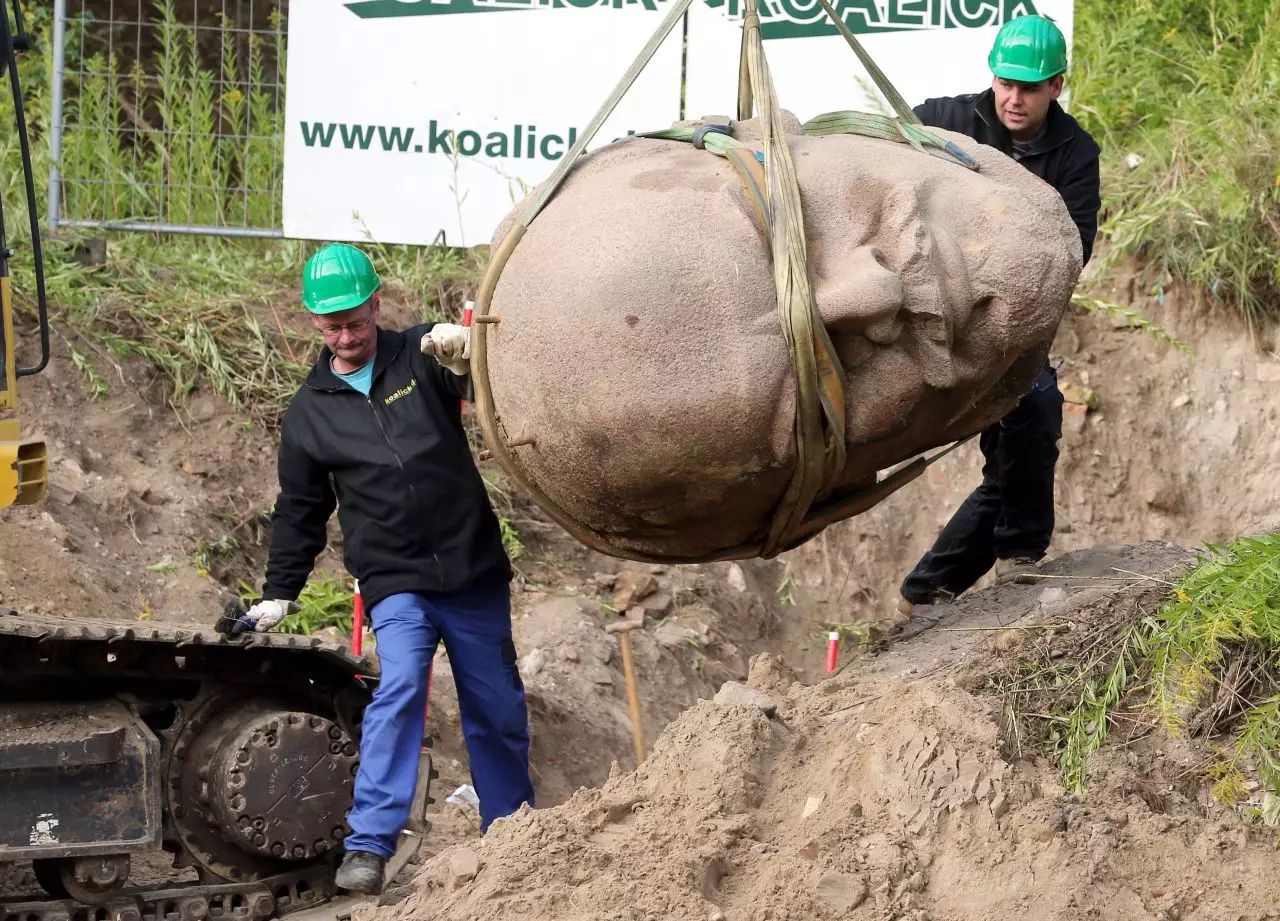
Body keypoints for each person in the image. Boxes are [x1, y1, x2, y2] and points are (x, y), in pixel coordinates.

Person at [239, 242, 535, 894]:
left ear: (377, 304)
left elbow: (489, 386)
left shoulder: (420, 354)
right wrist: (278, 593)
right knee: (399, 688)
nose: (345, 337)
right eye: (331, 326)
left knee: (497, 709)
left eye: (356, 321)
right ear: (314, 323)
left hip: (472, 568)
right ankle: (369, 843)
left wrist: (473, 357)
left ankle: (513, 833)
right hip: (396, 579)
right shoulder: (311, 411)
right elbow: (301, 510)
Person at [896, 14, 1101, 618]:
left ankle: (997, 567)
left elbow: (1074, 250)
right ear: (991, 75)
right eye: (1006, 82)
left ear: (1057, 86)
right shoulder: (944, 118)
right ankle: (953, 577)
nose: (1014, 98)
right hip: (930, 314)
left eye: (1030, 87)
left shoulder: (1075, 153)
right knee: (1020, 445)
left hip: (1012, 322)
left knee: (1033, 419)